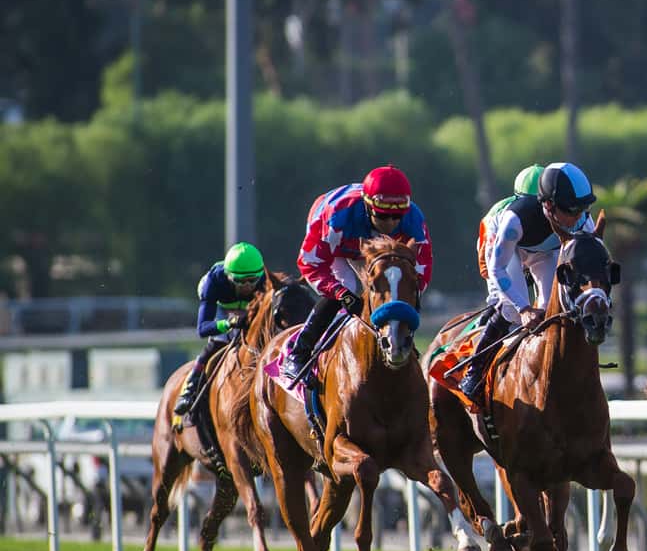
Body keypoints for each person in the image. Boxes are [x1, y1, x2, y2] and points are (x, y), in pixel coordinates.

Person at [457, 162, 597, 400]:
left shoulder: (583, 220)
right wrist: (523, 308)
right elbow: (497, 268)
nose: (579, 218)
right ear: (549, 205)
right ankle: (475, 370)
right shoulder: (514, 220)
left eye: (584, 209)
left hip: (544, 250)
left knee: (551, 308)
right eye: (572, 210)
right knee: (511, 310)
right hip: (506, 250)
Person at [281, 166, 433, 383]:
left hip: (378, 251)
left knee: (397, 285)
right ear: (368, 206)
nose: (390, 222)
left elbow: (421, 274)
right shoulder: (337, 217)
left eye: (397, 216)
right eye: (383, 215)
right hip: (338, 248)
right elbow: (310, 264)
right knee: (349, 286)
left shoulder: (414, 222)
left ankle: (399, 343)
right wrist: (340, 293)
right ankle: (299, 352)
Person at [173, 242, 267, 417]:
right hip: (222, 307)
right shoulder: (214, 281)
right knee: (219, 342)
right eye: (240, 281)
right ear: (229, 276)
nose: (247, 286)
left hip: (251, 307)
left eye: (252, 280)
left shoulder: (265, 281)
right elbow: (202, 329)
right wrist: (228, 323)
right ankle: (190, 389)